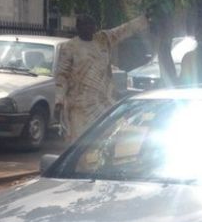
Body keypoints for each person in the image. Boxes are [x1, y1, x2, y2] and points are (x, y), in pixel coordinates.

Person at [54, 13, 148, 142]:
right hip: (79, 105)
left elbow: (124, 30)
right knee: (81, 142)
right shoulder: (70, 47)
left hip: (103, 102)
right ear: (78, 28)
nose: (89, 28)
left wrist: (144, 19)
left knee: (104, 139)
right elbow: (62, 76)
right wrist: (58, 101)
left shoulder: (103, 39)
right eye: (84, 25)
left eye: (91, 25)